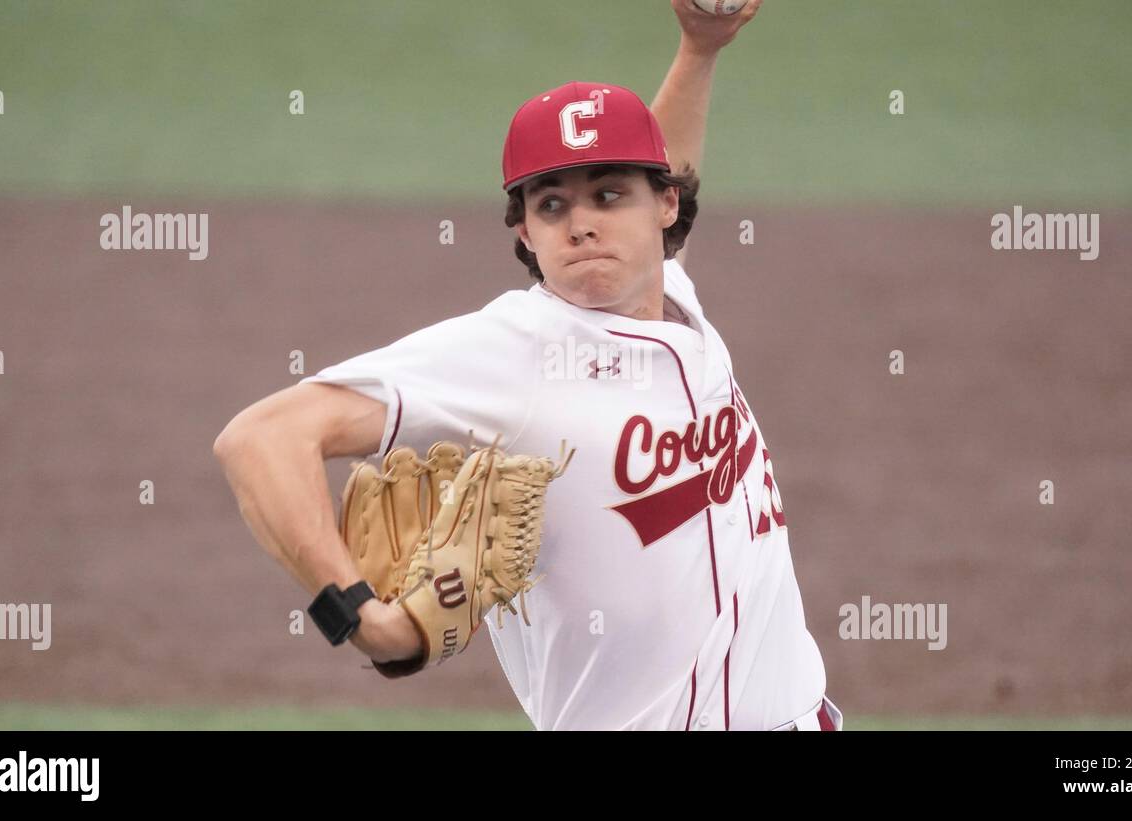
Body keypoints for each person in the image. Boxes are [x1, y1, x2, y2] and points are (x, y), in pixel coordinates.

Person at [215, 0, 839, 730]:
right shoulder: (512, 352)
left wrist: (698, 51)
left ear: (667, 204)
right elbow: (259, 437)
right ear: (523, 230)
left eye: (609, 195)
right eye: (551, 204)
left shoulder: (675, 297)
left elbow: (665, 160)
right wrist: (360, 617)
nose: (582, 222)